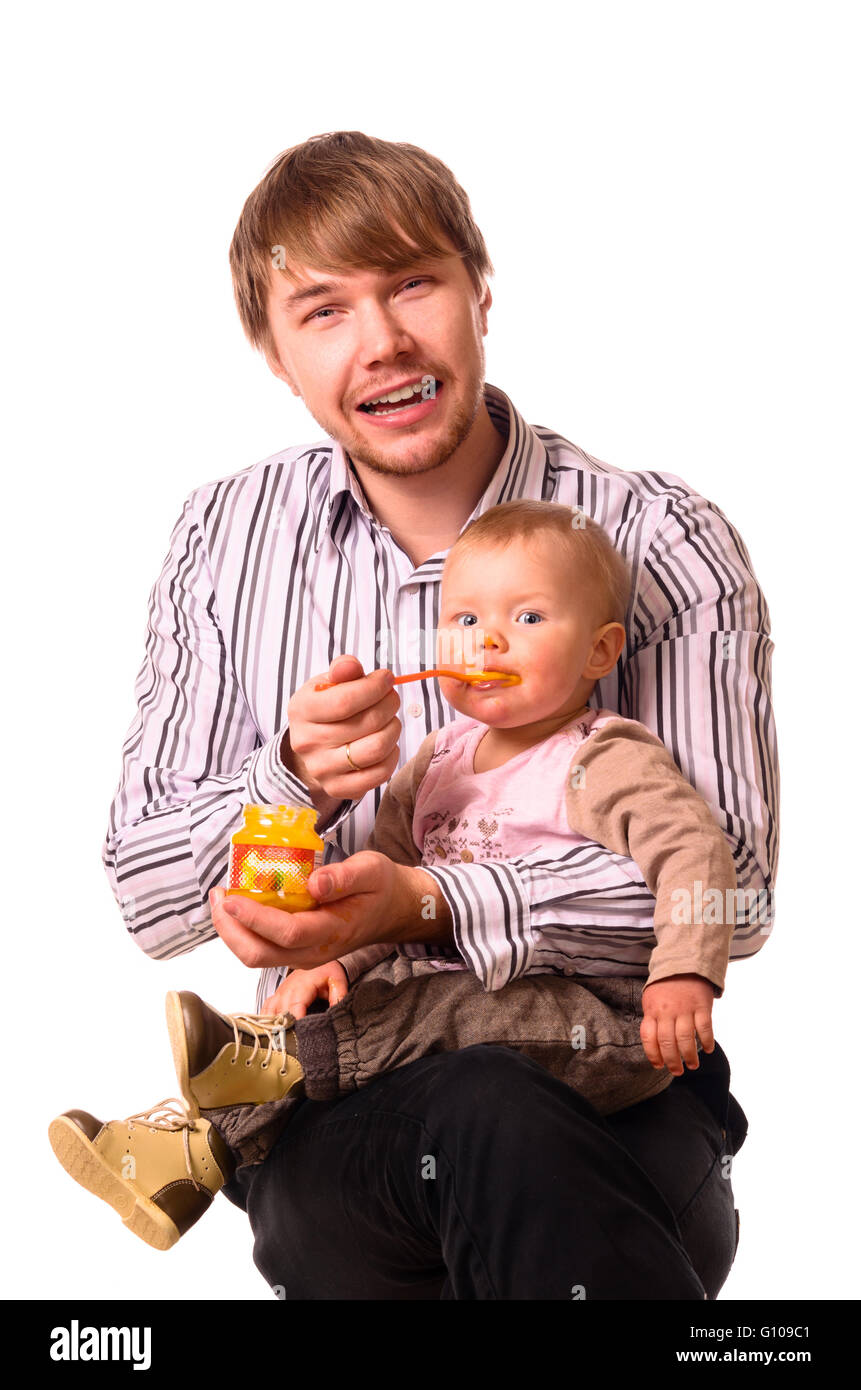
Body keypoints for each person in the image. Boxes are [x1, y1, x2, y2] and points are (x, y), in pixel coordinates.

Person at [89, 131, 778, 1298]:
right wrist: (290, 787)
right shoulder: (224, 537)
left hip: (616, 1082)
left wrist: (435, 902)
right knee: (468, 1112)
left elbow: (733, 885)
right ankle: (204, 1129)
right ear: (273, 352)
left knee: (498, 1110)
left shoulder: (660, 543)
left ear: (479, 290)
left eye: (413, 281)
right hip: (344, 1097)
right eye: (323, 309)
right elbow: (150, 890)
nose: (384, 341)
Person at [49, 502, 742, 1252]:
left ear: (600, 651)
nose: (490, 640)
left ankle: (253, 1077)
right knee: (356, 1007)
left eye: (530, 617)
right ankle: (188, 1156)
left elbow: (695, 855)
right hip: (454, 1023)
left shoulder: (601, 757)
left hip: (599, 1025)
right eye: (466, 620)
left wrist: (683, 976)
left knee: (432, 1010)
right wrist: (332, 963)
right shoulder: (436, 761)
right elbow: (381, 892)